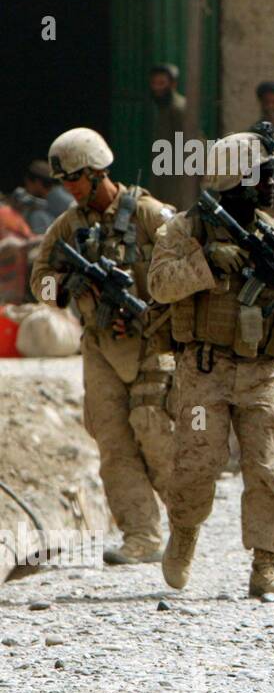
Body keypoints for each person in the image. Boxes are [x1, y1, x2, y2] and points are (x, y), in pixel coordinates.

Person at [148, 129, 274, 598]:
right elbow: (159, 285)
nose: (271, 184)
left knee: (268, 467)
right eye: (261, 174)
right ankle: (184, 532)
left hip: (262, 370)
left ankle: (266, 564)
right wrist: (207, 262)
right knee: (196, 464)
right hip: (203, 368)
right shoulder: (184, 231)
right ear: (236, 179)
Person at [28, 128, 177, 565]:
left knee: (155, 431)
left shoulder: (149, 214)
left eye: (75, 178)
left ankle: (184, 524)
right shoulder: (68, 227)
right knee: (112, 440)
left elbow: (185, 263)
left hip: (153, 338)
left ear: (97, 173)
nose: (69, 188)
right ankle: (141, 536)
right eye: (64, 181)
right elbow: (41, 278)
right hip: (100, 346)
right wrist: (66, 286)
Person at [14, 160, 75, 234]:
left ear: (37, 183)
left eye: (28, 184)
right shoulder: (55, 196)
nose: (27, 189)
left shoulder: (59, 199)